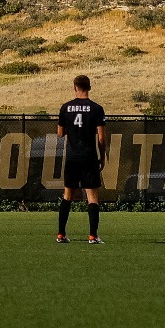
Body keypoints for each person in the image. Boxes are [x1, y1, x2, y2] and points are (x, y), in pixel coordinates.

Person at [57, 74, 107, 244]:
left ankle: (61, 234)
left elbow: (60, 133)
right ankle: (93, 236)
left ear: (75, 88)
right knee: (92, 197)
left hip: (72, 157)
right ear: (90, 87)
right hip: (89, 157)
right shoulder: (96, 108)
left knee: (67, 195)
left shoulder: (65, 107)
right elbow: (101, 138)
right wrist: (103, 157)